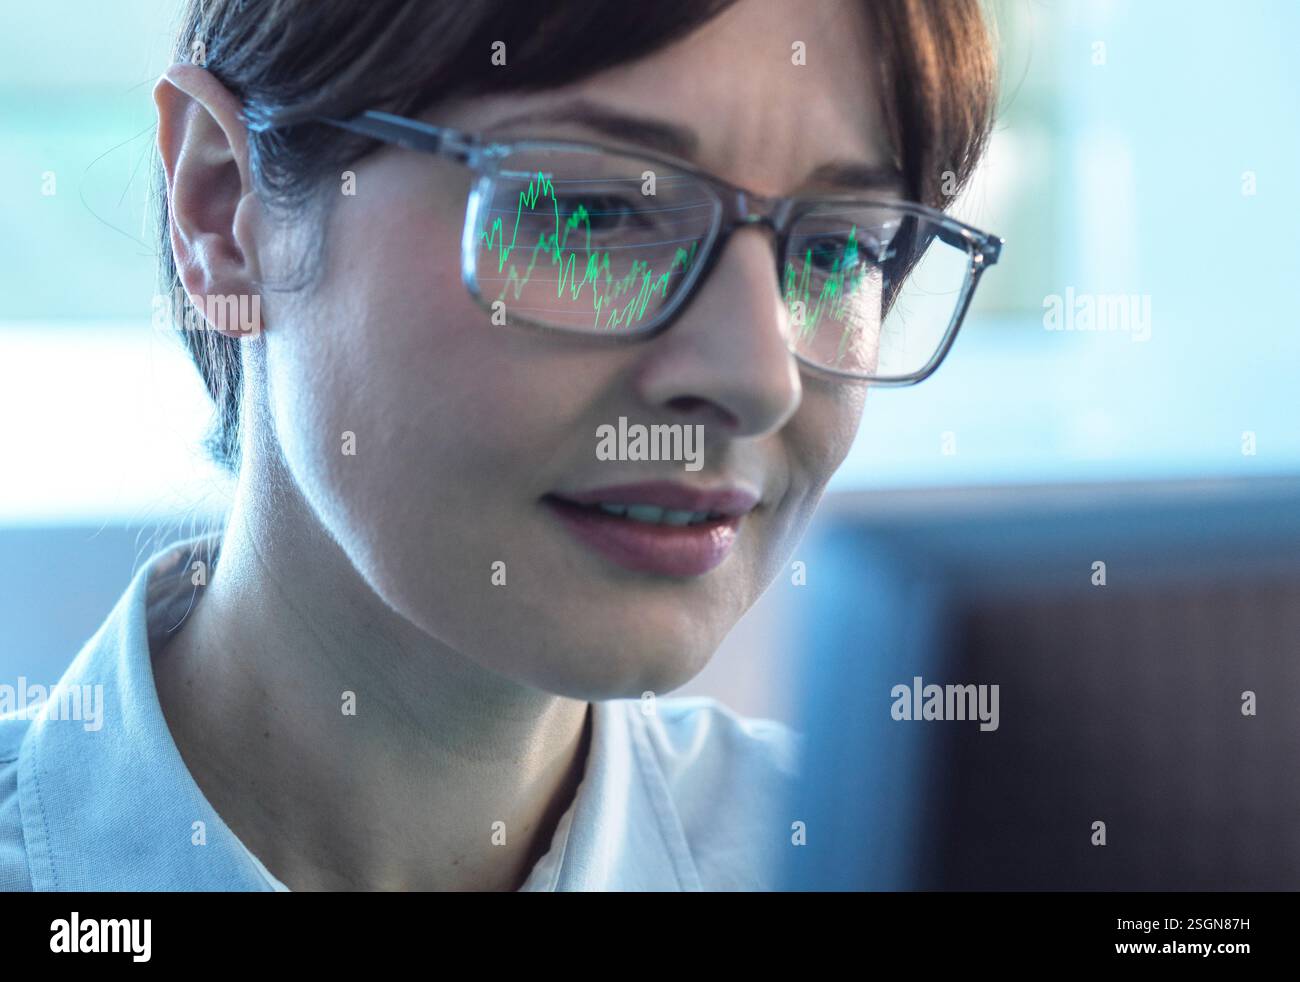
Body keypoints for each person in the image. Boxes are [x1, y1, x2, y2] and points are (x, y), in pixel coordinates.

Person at [0, 0, 999, 891]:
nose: (758, 378)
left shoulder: (887, 857)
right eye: (592, 213)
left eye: (837, 249)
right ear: (223, 209)